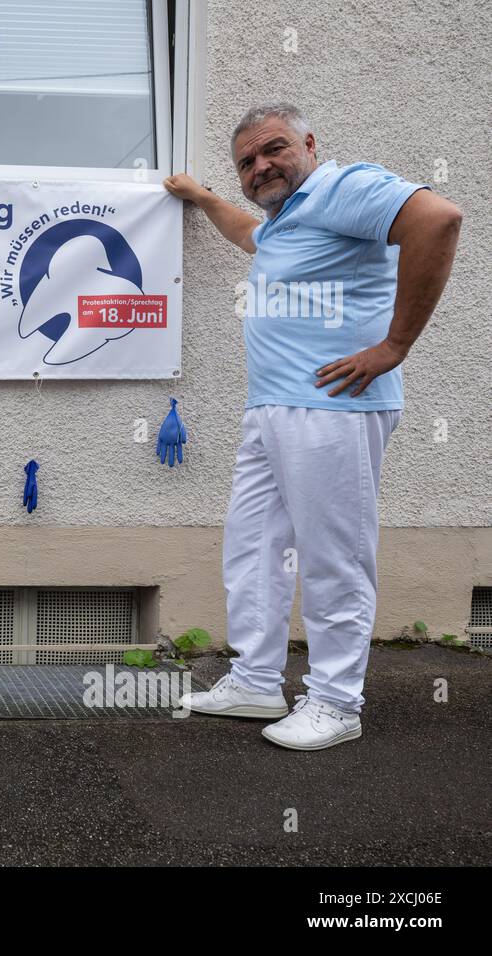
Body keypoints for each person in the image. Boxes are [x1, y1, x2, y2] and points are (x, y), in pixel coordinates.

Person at [165, 103, 462, 750]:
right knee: (253, 550)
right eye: (246, 162)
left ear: (308, 143)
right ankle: (255, 680)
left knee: (334, 560)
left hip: (335, 410)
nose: (261, 167)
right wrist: (201, 195)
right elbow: (247, 232)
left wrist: (394, 346)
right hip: (270, 409)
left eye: (273, 150)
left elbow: (438, 219)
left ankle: (335, 703)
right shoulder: (284, 222)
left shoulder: (342, 188)